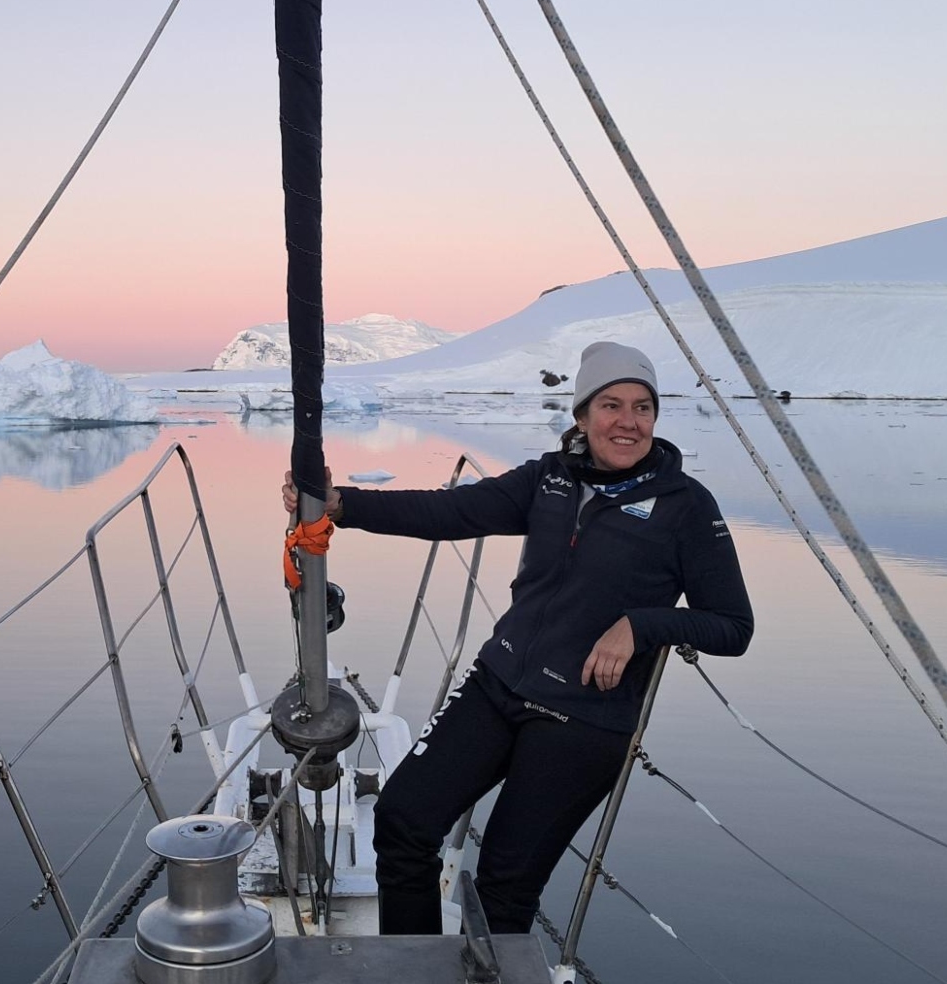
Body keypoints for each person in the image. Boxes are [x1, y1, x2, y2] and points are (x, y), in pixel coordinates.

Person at [280, 340, 753, 936]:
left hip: (582, 718)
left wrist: (641, 624)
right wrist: (342, 506)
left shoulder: (685, 507)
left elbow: (733, 627)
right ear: (582, 415)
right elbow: (449, 513)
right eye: (610, 405)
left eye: (641, 407)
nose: (627, 422)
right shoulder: (549, 480)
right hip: (499, 683)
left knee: (505, 887)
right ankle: (415, 971)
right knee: (402, 822)